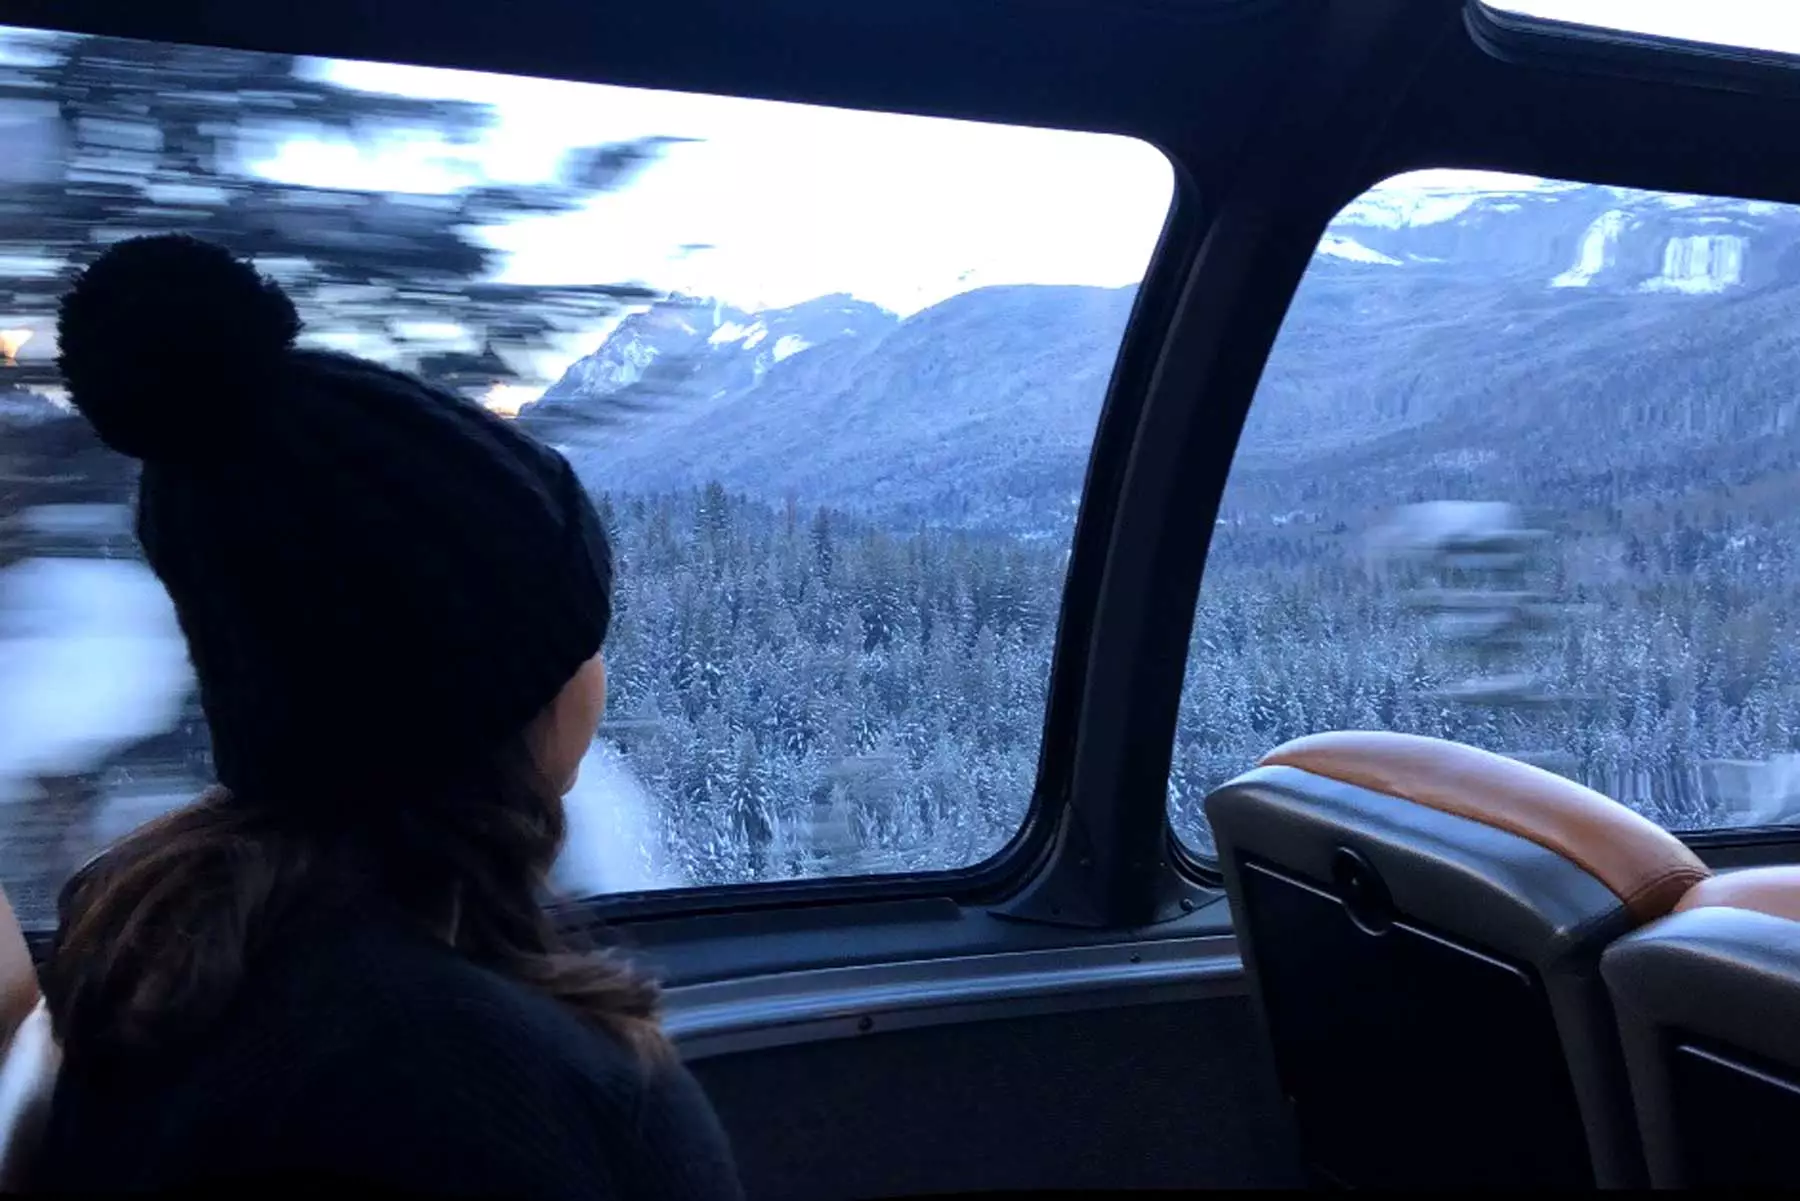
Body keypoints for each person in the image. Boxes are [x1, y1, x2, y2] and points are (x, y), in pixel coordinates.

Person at [27, 234, 745, 1200]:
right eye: (580, 637)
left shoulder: (150, 957)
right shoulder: (554, 1098)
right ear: (495, 700)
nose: (598, 671)